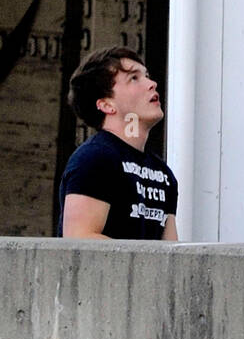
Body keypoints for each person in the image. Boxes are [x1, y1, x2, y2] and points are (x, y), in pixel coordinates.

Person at [58, 46, 178, 240]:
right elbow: (79, 241)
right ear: (106, 105)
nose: (152, 83)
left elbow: (172, 256)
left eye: (146, 75)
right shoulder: (94, 159)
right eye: (134, 78)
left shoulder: (163, 174)